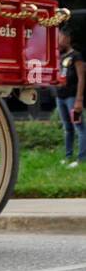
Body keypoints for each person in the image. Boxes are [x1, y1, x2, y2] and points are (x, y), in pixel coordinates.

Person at [56, 28, 84, 167]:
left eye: (59, 38)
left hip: (72, 98)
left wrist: (79, 100)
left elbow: (82, 78)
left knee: (78, 127)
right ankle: (68, 156)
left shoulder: (76, 56)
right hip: (60, 97)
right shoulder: (59, 56)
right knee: (67, 128)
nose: (57, 42)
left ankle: (81, 159)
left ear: (67, 39)